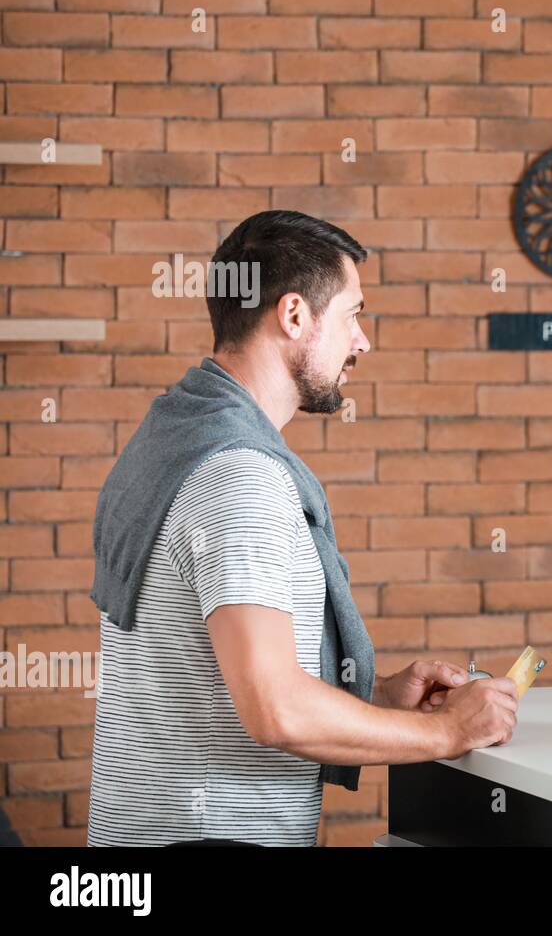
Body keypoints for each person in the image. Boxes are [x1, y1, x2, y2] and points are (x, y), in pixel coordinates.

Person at [88, 211, 517, 845]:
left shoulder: (174, 434)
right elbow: (275, 708)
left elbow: (218, 670)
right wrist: (448, 732)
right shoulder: (240, 476)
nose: (362, 341)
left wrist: (375, 695)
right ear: (294, 316)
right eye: (352, 314)